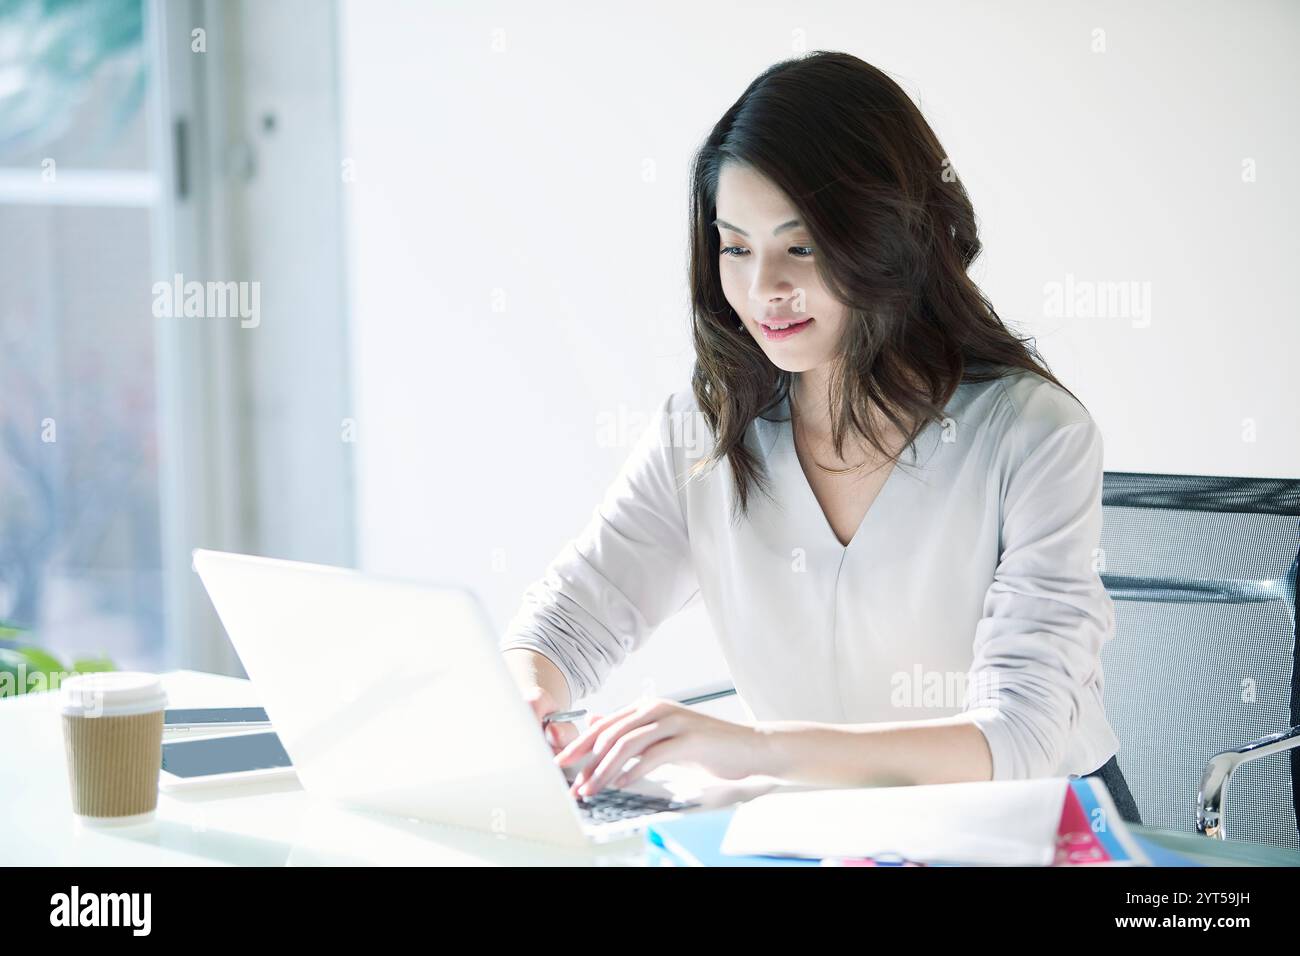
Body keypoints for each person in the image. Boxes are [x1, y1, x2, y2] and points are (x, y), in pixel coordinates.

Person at [499, 50, 1142, 826]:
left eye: (799, 247)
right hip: (827, 832)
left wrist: (756, 749)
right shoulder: (708, 429)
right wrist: (524, 697)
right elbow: (570, 621)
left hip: (1032, 832)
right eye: (736, 247)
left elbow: (1020, 738)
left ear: (886, 237)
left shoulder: (1034, 435)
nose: (764, 287)